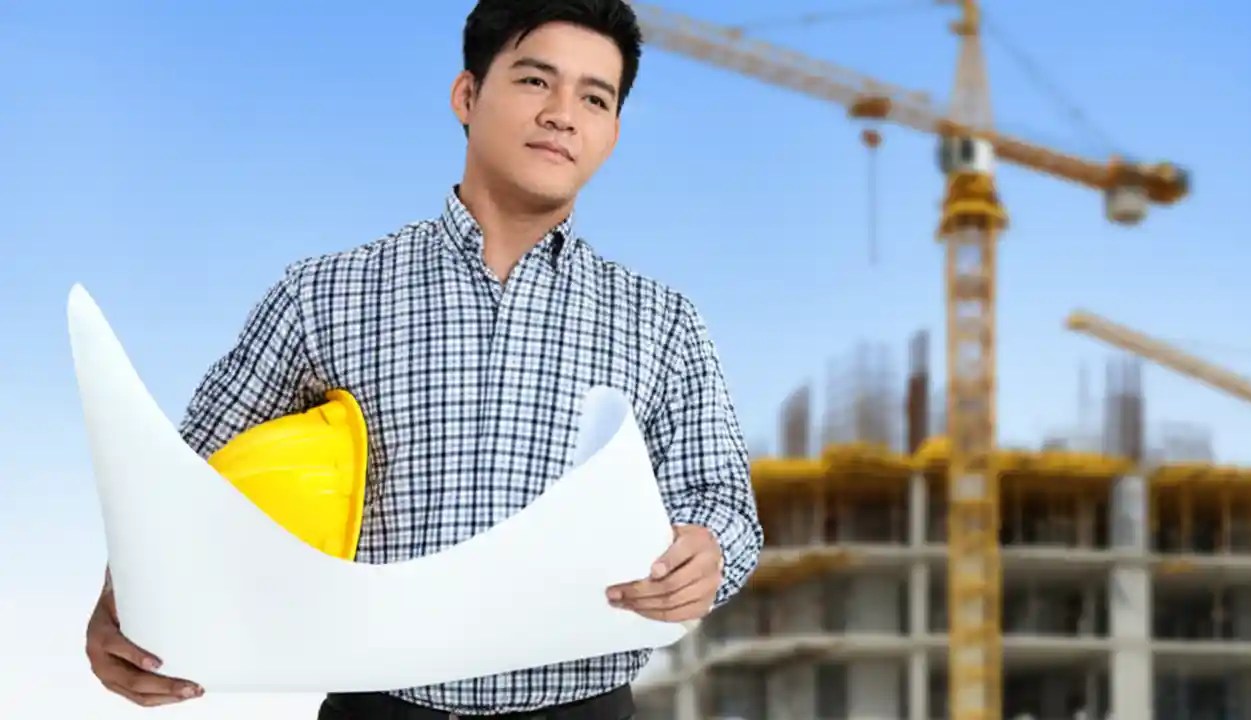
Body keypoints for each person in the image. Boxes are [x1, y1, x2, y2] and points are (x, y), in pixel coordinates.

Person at [83, 0, 764, 717]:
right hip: (378, 706)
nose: (564, 113)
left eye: (594, 97)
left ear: (613, 132)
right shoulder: (323, 295)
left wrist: (707, 555)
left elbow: (722, 503)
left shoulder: (663, 322)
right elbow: (187, 479)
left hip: (583, 706)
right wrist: (122, 600)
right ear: (467, 96)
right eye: (536, 82)